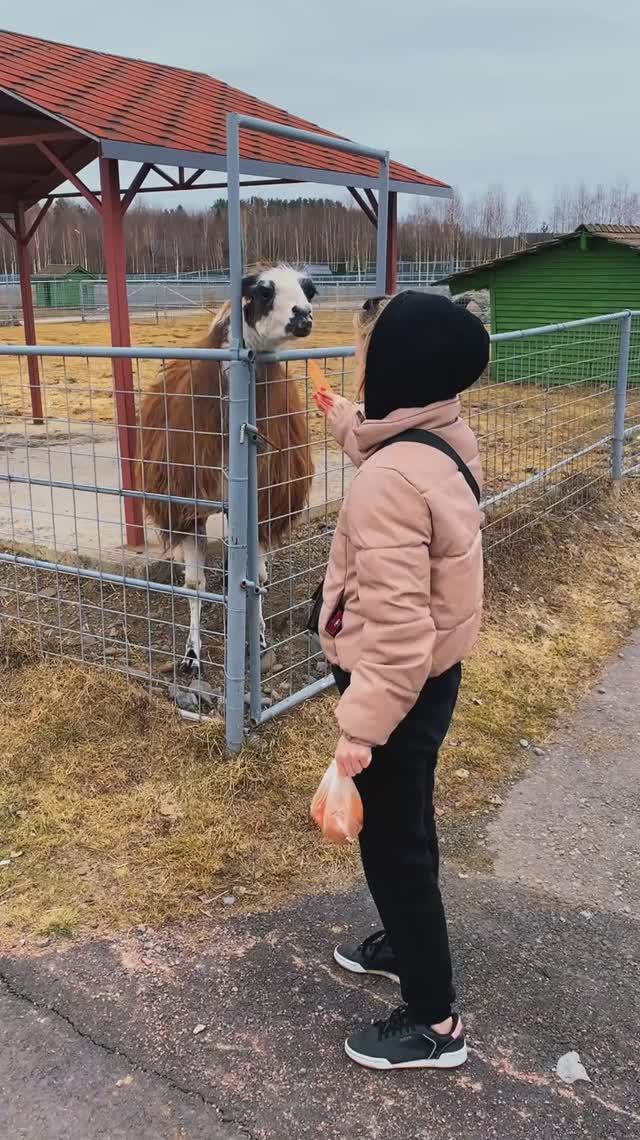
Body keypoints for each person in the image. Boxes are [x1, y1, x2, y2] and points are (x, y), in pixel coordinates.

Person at [313, 291, 489, 1071]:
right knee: (407, 821)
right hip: (435, 680)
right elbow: (390, 445)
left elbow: (395, 631)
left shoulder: (386, 485)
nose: (359, 360)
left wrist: (357, 732)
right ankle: (403, 942)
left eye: (369, 352)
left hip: (395, 689)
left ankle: (434, 1021)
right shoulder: (444, 438)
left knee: (393, 845)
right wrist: (342, 418)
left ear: (396, 370)